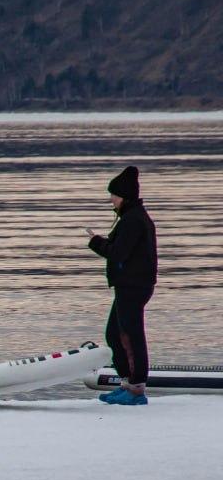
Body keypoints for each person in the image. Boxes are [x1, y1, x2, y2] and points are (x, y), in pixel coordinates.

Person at [87, 166, 157, 406]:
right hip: (129, 285)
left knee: (130, 336)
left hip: (133, 287)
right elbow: (123, 250)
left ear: (124, 196)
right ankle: (127, 383)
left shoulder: (133, 220)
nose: (111, 200)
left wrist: (95, 242)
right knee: (114, 334)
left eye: (114, 195)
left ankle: (137, 390)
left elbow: (117, 253)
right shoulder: (131, 218)